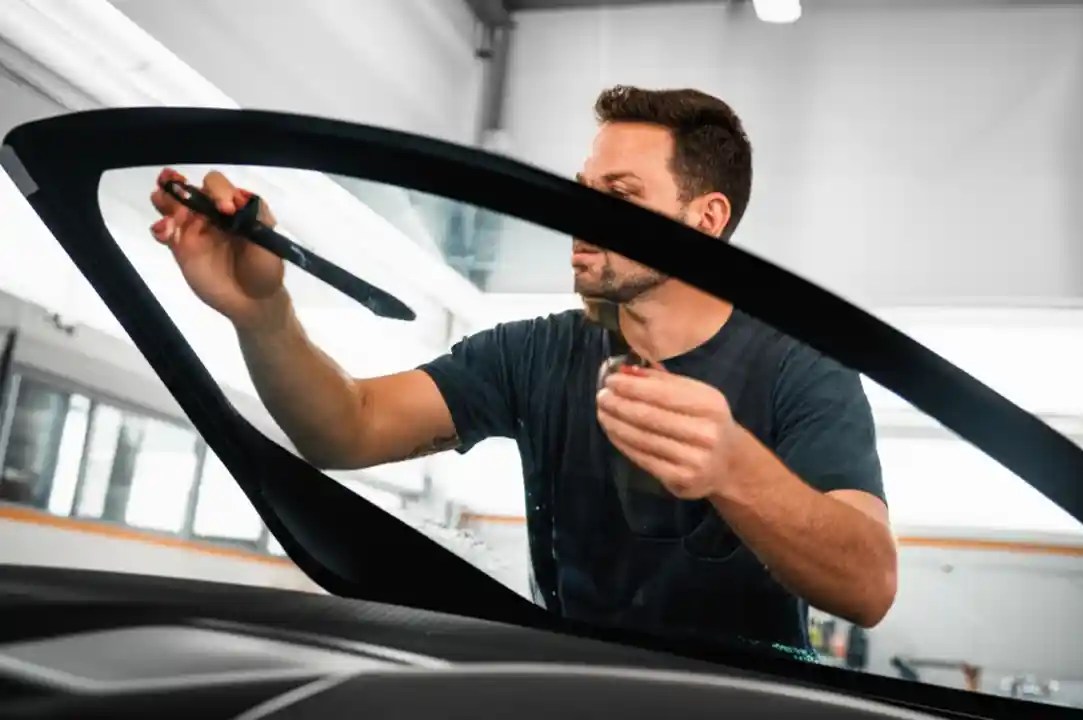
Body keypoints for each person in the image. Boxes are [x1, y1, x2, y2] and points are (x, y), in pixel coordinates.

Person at [147, 85, 898, 654]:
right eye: (581, 191)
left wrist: (736, 470)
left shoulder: (805, 368)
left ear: (706, 220)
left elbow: (869, 587)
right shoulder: (532, 354)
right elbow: (346, 431)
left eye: (620, 197)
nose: (581, 216)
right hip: (565, 689)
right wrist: (261, 314)